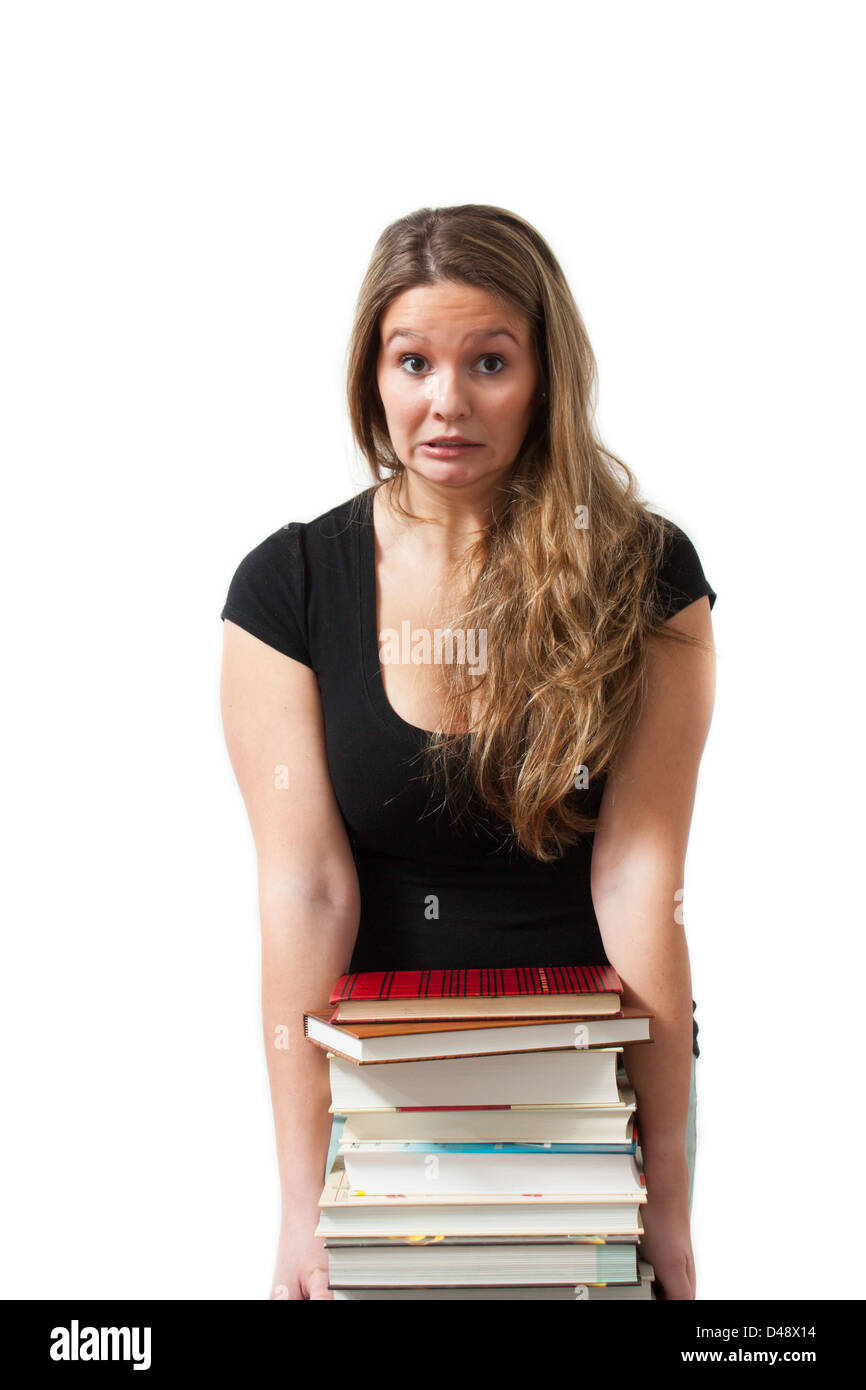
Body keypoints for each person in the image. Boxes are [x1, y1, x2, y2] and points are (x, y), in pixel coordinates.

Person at [219, 204, 717, 1301]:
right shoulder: (287, 587)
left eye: (488, 361)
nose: (445, 402)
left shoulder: (643, 571)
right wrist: (302, 1202)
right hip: (386, 1104)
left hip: (587, 1089)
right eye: (414, 361)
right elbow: (303, 890)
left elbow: (641, 873)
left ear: (544, 376)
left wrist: (666, 1202)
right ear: (374, 375)